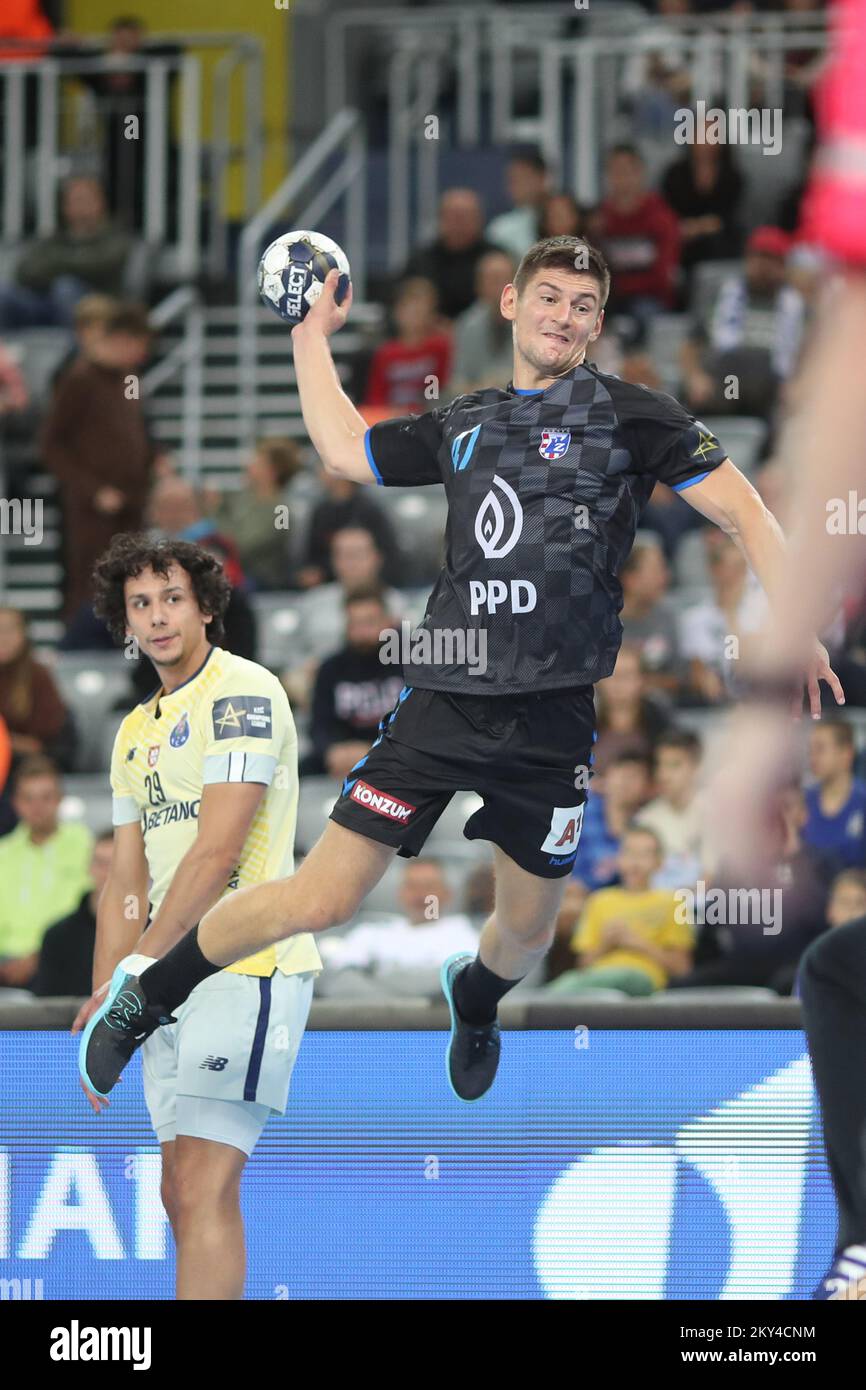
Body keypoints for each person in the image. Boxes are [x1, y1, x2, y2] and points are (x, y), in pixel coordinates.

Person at [79, 232, 836, 1109]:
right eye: (548, 297)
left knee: (523, 937)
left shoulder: (636, 415)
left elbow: (745, 511)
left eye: (584, 307)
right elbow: (344, 452)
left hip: (553, 720)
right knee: (318, 897)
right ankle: (147, 997)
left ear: (596, 327)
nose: (565, 316)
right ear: (511, 306)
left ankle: (474, 997)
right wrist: (308, 335)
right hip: (445, 700)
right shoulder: (463, 420)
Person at [73, 534, 321, 1300]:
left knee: (206, 1187)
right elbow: (126, 872)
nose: (156, 617)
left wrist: (138, 979)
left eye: (171, 598)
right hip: (159, 982)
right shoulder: (132, 731)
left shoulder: (244, 691)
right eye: (139, 604)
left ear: (206, 606)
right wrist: (105, 987)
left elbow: (216, 854)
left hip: (243, 966)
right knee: (176, 1193)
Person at [42, 300, 155, 620]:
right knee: (93, 580)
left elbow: (138, 427)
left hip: (132, 500)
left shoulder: (129, 377)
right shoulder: (79, 380)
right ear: (120, 340)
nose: (142, 353)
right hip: (93, 508)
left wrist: (155, 457)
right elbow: (51, 445)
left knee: (132, 575)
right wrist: (93, 489)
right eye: (138, 345)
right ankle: (85, 647)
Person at [547, 825, 692, 996]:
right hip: (597, 982)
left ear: (659, 863)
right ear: (618, 859)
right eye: (629, 853)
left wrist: (637, 943)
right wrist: (606, 944)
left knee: (614, 980)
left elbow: (682, 968)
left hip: (643, 980)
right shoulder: (599, 900)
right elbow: (583, 964)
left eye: (644, 855)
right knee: (581, 983)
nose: (635, 863)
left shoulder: (672, 902)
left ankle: (549, 999)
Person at [679, 227, 806, 421]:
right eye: (757, 258)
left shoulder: (797, 307)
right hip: (725, 383)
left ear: (783, 266)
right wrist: (695, 377)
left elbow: (810, 356)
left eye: (770, 260)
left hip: (770, 391)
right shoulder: (721, 297)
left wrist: (798, 385)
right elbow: (690, 346)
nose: (762, 266)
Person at [0, 756, 92, 988]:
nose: (37, 807)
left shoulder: (85, 845)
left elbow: (87, 914)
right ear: (15, 803)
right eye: (28, 798)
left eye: (46, 797)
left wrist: (37, 957)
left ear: (60, 800)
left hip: (61, 958)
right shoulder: (3, 852)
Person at [317, 857, 480, 984]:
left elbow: (459, 983)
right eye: (412, 886)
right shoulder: (370, 934)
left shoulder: (463, 934)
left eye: (428, 886)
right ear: (400, 893)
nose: (420, 895)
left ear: (447, 893)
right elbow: (339, 980)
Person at [0, 176, 131, 328]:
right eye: (75, 200)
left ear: (100, 203)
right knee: (5, 292)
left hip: (97, 310)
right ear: (65, 207)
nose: (81, 206)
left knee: (65, 286)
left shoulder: (115, 236)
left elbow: (100, 264)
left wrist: (55, 265)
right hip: (46, 304)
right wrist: (65, 265)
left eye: (85, 199)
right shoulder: (55, 239)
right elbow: (24, 271)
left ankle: (74, 349)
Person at [301, 587, 405, 779]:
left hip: (397, 757)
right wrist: (331, 752)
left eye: (369, 623)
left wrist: (372, 751)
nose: (362, 632)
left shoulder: (411, 666)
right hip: (342, 758)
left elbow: (419, 727)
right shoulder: (331, 669)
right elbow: (319, 725)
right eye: (355, 624)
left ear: (389, 622)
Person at [201, 438, 301, 591]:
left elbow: (244, 545)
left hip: (262, 581)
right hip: (237, 574)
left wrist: (216, 510)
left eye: (257, 462)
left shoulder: (283, 510)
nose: (249, 466)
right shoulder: (244, 499)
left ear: (273, 471)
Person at [597, 145, 680, 328]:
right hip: (609, 299)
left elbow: (664, 276)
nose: (621, 179)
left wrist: (623, 287)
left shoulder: (661, 218)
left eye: (627, 171)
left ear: (640, 173)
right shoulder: (600, 219)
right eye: (615, 172)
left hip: (650, 300)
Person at [30, 831, 115, 997]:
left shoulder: (154, 930)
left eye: (116, 864)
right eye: (101, 863)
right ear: (89, 867)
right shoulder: (58, 936)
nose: (108, 873)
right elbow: (46, 1006)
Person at [0, 606, 76, 770]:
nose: (3, 638)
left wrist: (7, 742)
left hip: (29, 767)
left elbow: (42, 745)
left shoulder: (39, 676)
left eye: (10, 630)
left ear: (24, 634)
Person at [402, 188, 496, 319]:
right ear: (440, 219)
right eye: (454, 216)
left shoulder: (496, 258)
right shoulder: (421, 261)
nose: (459, 224)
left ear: (480, 219)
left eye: (465, 216)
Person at [363, 278, 452, 413]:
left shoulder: (438, 347)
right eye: (410, 310)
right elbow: (376, 397)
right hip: (390, 417)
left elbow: (439, 391)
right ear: (397, 313)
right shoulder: (386, 353)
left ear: (431, 314)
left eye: (420, 310)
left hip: (427, 417)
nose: (415, 316)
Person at [446, 250, 516, 398]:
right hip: (479, 409)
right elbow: (456, 382)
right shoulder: (466, 324)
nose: (498, 287)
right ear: (479, 286)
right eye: (490, 280)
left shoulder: (534, 322)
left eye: (501, 279)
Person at [802, 718, 866, 871]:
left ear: (846, 754)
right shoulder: (803, 801)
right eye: (810, 750)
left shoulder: (862, 802)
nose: (813, 758)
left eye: (820, 749)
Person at [485, 149, 550, 262]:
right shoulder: (500, 228)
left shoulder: (563, 221)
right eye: (511, 179)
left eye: (523, 177)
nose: (515, 184)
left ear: (542, 178)